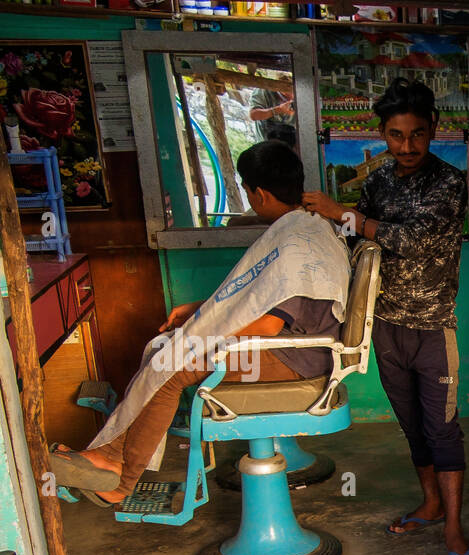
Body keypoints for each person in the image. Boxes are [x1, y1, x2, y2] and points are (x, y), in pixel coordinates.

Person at [48, 142, 347, 506]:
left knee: (173, 367)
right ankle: (108, 455)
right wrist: (201, 310)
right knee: (168, 352)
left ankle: (118, 481)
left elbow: (268, 325)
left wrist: (205, 334)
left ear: (260, 193)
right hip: (287, 348)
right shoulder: (304, 227)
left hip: (290, 359)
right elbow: (259, 302)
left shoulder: (298, 243)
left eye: (247, 189)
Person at [303, 78, 469, 555]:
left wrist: (349, 217)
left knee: (443, 429)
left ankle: (453, 525)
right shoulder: (378, 182)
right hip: (385, 325)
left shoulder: (448, 182)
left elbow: (417, 241)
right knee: (412, 427)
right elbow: (360, 245)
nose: (406, 146)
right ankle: (430, 503)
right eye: (397, 136)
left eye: (417, 135)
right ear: (382, 133)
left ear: (434, 131)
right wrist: (327, 226)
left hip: (432, 327)